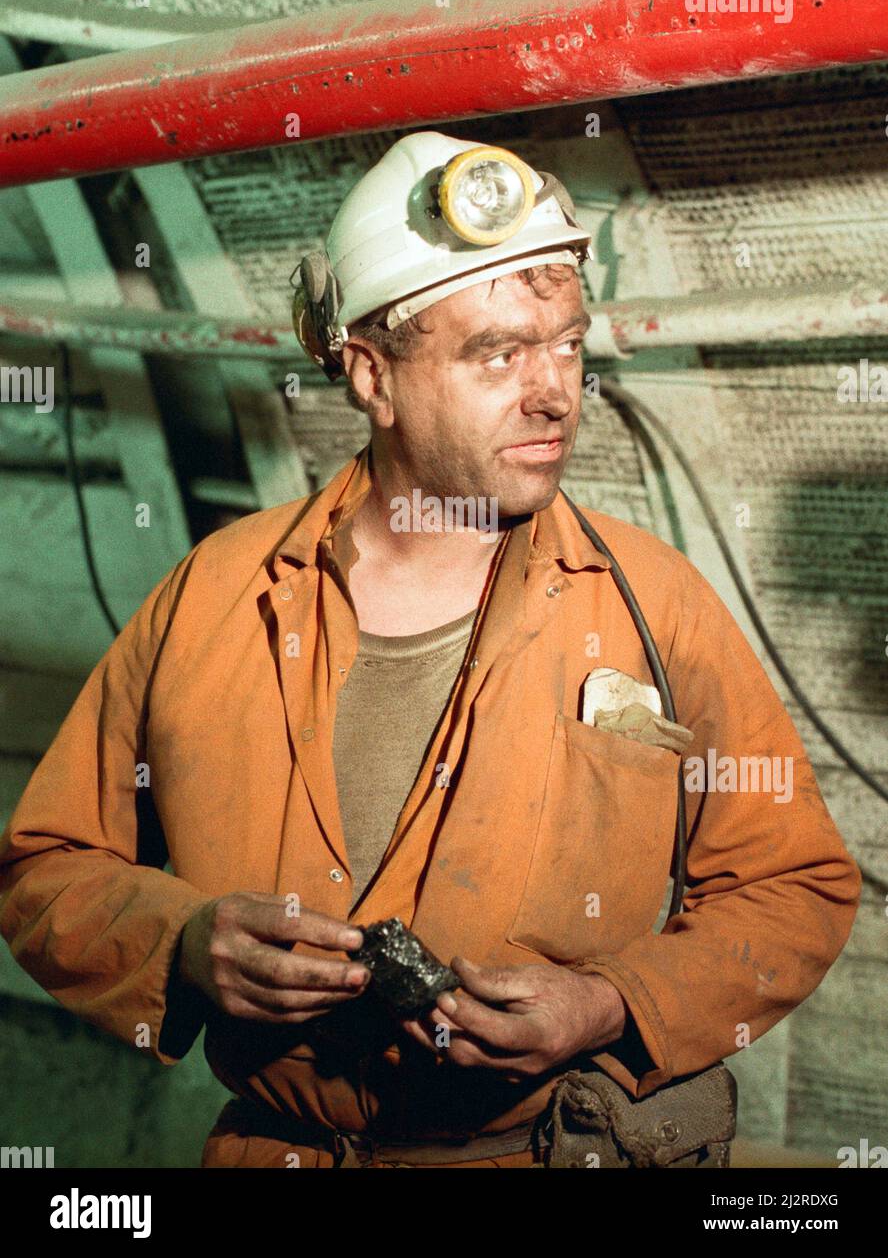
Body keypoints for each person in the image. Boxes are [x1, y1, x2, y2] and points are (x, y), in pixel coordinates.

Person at [0, 133, 861, 1169]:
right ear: (372, 374)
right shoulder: (215, 598)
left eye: (569, 344)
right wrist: (183, 945)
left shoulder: (650, 605)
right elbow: (46, 871)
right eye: (499, 352)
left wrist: (605, 1002)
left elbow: (797, 885)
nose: (555, 392)